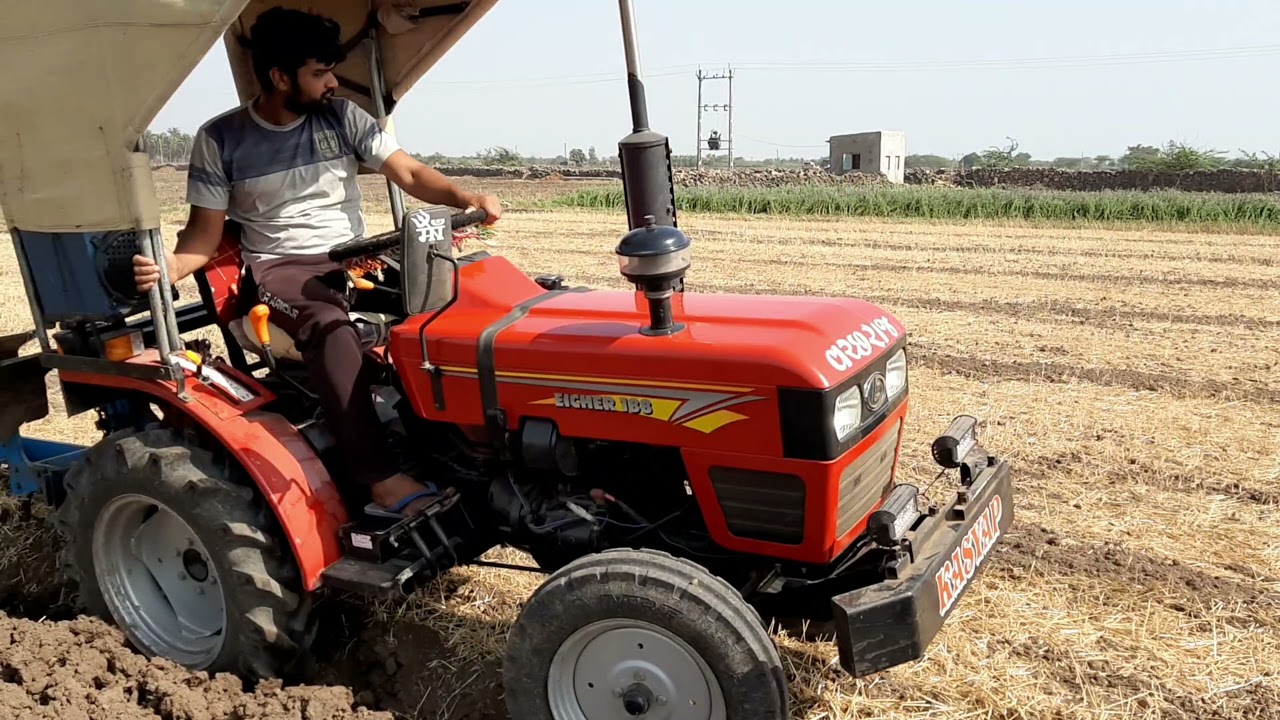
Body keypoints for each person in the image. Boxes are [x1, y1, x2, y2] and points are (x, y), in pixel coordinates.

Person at [133, 6, 501, 516]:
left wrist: (465, 199)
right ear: (280, 77)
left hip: (353, 259)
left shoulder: (344, 117)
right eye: (319, 72)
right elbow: (203, 236)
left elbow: (410, 174)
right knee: (329, 325)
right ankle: (379, 478)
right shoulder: (221, 140)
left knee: (460, 295)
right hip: (279, 269)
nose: (332, 82)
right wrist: (168, 269)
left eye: (331, 70)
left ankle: (475, 443)